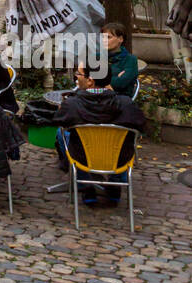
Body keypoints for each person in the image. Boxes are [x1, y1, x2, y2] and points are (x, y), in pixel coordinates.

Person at [54, 58, 146, 206]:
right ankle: (115, 187)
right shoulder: (126, 104)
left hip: (83, 157)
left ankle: (86, 184)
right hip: (118, 160)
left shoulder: (72, 104)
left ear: (90, 81)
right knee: (127, 138)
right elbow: (141, 125)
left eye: (79, 73)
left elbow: (58, 121)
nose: (76, 76)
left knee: (61, 133)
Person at [102, 22, 139, 98]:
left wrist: (97, 80)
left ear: (120, 39)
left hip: (118, 100)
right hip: (95, 97)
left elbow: (120, 84)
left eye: (108, 37)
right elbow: (85, 78)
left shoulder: (130, 60)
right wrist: (115, 78)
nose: (104, 40)